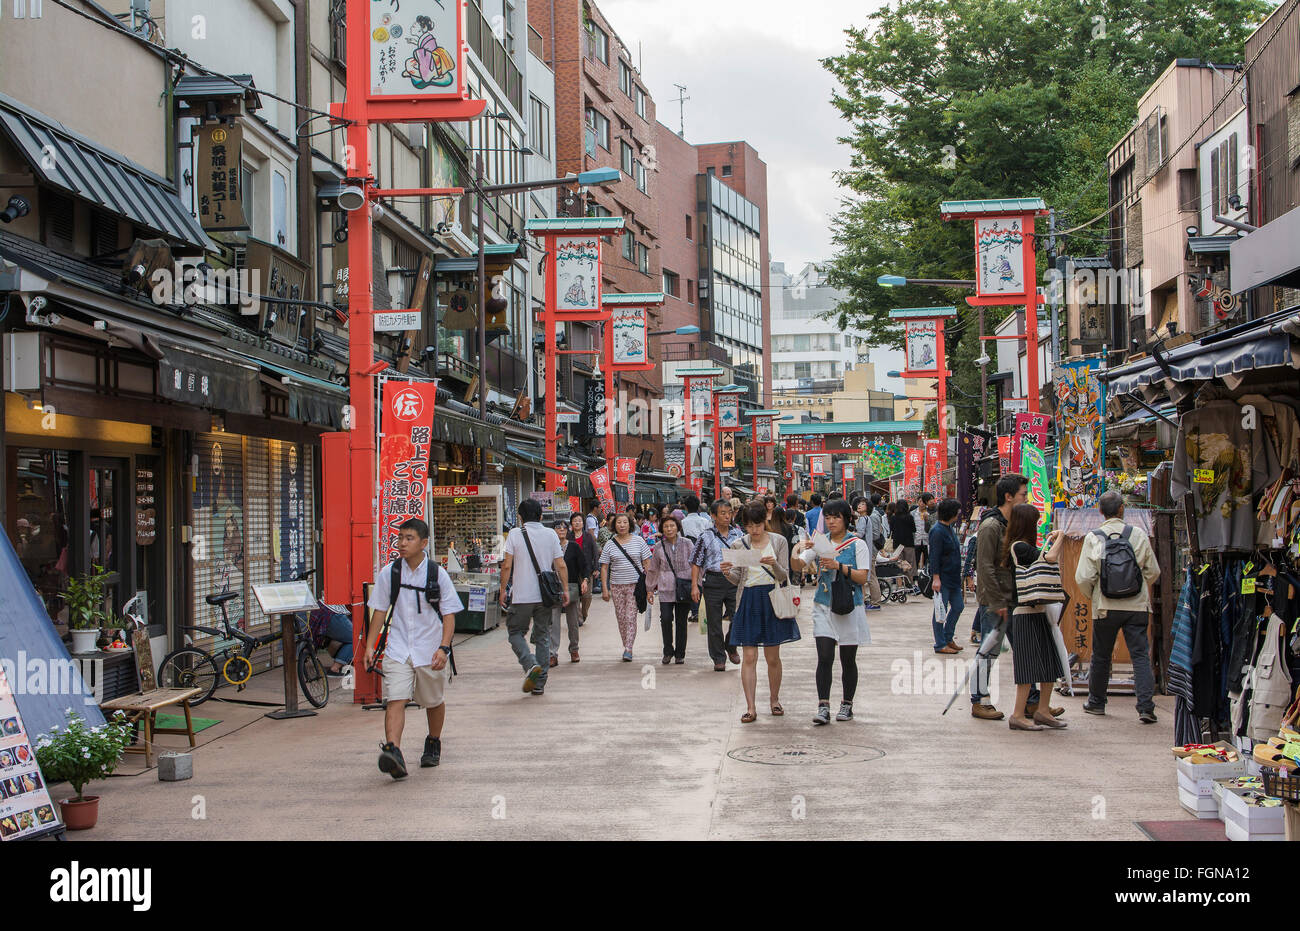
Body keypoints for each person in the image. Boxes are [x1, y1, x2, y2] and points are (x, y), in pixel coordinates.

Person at [365, 518, 462, 779]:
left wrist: (444, 648)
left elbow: (449, 613)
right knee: (395, 698)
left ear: (424, 543)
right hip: (397, 649)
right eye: (400, 538)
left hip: (429, 649)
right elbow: (379, 612)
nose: (402, 543)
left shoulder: (436, 574)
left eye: (409, 538)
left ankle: (433, 741)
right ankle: (393, 751)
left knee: (433, 701)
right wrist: (369, 647)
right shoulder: (390, 573)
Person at [970, 474, 1058, 721]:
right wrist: (997, 602)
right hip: (995, 601)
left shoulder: (1013, 524)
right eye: (1023, 494)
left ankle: (1031, 702)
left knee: (1025, 651)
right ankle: (979, 700)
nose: (1027, 498)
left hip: (1016, 599)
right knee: (988, 651)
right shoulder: (990, 526)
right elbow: (985, 567)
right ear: (1009, 497)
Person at [1074, 490, 1160, 724]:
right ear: (1122, 509)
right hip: (1137, 607)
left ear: (1100, 512)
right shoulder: (1139, 535)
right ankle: (1145, 707)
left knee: (1101, 655)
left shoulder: (1094, 537)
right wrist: (1138, 588)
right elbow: (1153, 572)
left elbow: (1083, 577)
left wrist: (1095, 596)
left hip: (1105, 607)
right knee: (1140, 655)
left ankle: (1096, 703)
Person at [724, 501, 797, 722]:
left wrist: (773, 564)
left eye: (758, 525)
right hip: (748, 598)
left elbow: (784, 576)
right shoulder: (738, 545)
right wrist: (727, 573)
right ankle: (750, 707)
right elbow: (738, 578)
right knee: (749, 656)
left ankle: (774, 700)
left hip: (772, 598)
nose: (754, 530)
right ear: (744, 525)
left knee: (773, 656)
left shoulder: (778, 541)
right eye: (749, 526)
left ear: (765, 521)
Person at [804, 499, 871, 725]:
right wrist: (799, 550)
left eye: (836, 517)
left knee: (847, 658)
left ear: (845, 519)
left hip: (849, 606)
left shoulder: (857, 544)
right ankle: (823, 706)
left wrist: (839, 567)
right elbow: (797, 566)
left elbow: (863, 577)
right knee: (824, 656)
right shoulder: (819, 543)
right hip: (823, 604)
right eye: (828, 517)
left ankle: (847, 704)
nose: (831, 521)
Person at [1002, 504, 1068, 731]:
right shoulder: (1018, 546)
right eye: (1036, 521)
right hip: (1024, 614)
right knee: (1029, 667)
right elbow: (1049, 558)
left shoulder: (1025, 547)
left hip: (1038, 612)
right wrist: (1061, 536)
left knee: (1049, 663)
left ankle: (1042, 709)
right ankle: (1018, 714)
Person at [498, 499, 569, 696]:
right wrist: (565, 589)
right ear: (540, 516)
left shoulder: (514, 534)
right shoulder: (550, 534)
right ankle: (540, 683)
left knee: (515, 633)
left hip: (521, 596)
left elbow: (506, 566)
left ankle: (530, 664)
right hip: (545, 596)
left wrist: (503, 590)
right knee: (543, 636)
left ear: (520, 517)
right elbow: (560, 565)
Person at [690, 498, 744, 671]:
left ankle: (731, 644)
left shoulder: (739, 534)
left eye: (729, 513)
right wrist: (694, 586)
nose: (727, 517)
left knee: (739, 617)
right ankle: (718, 657)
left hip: (735, 579)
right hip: (713, 580)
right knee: (714, 622)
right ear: (713, 515)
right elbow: (696, 562)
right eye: (722, 513)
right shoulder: (705, 536)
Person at [600, 512, 652, 661]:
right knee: (621, 617)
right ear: (614, 525)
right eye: (619, 523)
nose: (622, 525)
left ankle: (628, 648)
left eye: (625, 522)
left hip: (634, 586)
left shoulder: (639, 541)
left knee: (630, 617)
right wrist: (605, 589)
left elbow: (647, 563)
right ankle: (626, 643)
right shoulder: (610, 543)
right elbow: (604, 567)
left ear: (630, 524)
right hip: (616, 586)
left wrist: (649, 586)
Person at [648, 515, 692, 664]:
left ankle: (680, 654)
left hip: (684, 587)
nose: (669, 529)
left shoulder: (687, 543)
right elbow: (653, 569)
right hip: (665, 588)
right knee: (665, 619)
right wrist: (649, 588)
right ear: (662, 529)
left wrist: (696, 585)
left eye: (672, 526)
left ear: (677, 527)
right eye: (666, 526)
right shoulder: (659, 546)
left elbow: (696, 565)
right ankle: (668, 651)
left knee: (681, 621)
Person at [928, 497, 965, 655]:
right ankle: (940, 643)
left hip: (954, 577)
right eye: (957, 511)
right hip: (942, 578)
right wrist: (936, 577)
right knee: (940, 612)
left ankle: (948, 637)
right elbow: (934, 556)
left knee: (958, 606)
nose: (959, 514)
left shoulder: (949, 528)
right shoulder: (937, 531)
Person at [553, 518, 588, 665]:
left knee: (572, 621)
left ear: (568, 530)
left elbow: (583, 565)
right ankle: (552, 653)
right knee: (553, 622)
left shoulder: (573, 547)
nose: (561, 530)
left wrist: (585, 580)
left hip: (572, 586)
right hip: (553, 588)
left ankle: (574, 649)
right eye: (558, 527)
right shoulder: (549, 546)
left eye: (564, 528)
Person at [574, 512, 599, 625]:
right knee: (575, 596)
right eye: (574, 521)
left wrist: (596, 567)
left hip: (587, 570)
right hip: (573, 571)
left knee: (586, 595)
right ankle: (578, 617)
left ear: (583, 523)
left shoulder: (588, 536)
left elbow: (595, 551)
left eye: (579, 520)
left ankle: (584, 613)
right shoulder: (569, 536)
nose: (577, 523)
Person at [889, 500, 917, 585]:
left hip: (897, 544)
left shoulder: (893, 518)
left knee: (898, 564)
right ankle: (910, 584)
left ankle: (900, 585)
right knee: (910, 564)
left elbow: (891, 530)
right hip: (908, 543)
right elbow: (914, 529)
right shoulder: (909, 517)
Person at [912, 493, 934, 573]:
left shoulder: (930, 513)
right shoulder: (913, 513)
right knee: (915, 559)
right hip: (916, 540)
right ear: (917, 502)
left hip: (927, 540)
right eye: (920, 501)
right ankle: (915, 577)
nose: (922, 504)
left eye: (923, 502)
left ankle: (926, 575)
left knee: (927, 560)